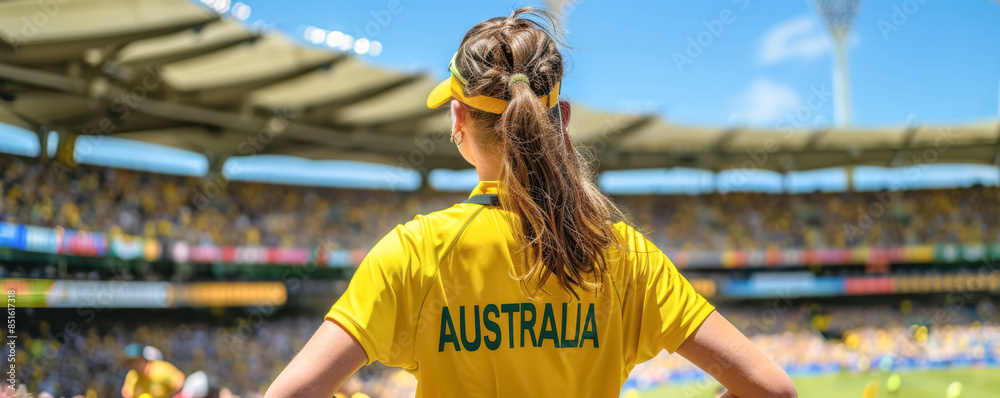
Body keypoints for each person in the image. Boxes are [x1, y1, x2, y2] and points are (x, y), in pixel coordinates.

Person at [266, 8, 796, 398]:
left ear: (458, 122)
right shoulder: (623, 254)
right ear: (560, 119)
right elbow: (772, 390)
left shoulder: (414, 251)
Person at [121, 343, 186, 398]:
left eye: (132, 361)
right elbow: (127, 391)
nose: (129, 364)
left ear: (142, 359)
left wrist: (171, 396)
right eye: (128, 362)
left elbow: (180, 381)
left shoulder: (160, 369)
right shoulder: (132, 374)